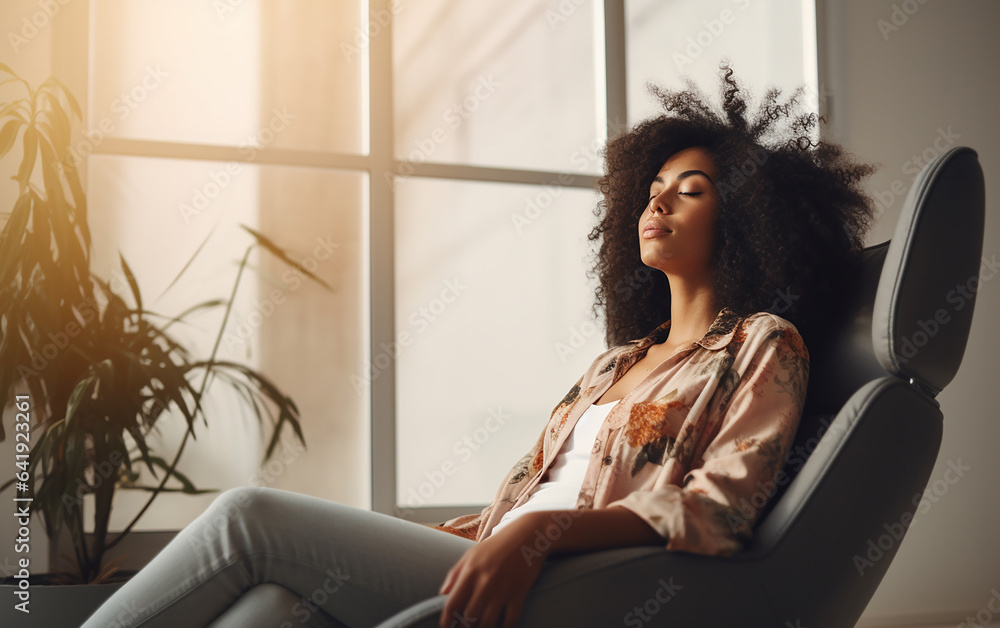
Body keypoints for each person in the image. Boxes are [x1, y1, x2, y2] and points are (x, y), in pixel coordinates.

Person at [81, 63, 876, 628]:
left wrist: (540, 534)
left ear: (742, 221)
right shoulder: (615, 364)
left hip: (571, 583)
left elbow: (716, 511)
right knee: (273, 611)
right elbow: (514, 505)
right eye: (653, 186)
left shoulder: (765, 345)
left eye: (690, 190)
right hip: (505, 553)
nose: (657, 199)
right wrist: (455, 533)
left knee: (248, 518)